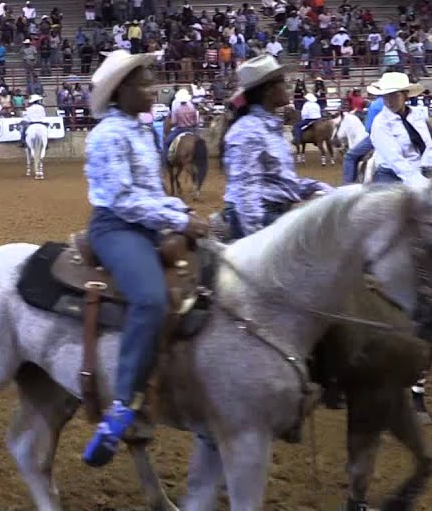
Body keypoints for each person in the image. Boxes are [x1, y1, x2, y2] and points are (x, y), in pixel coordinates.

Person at [80, 50, 210, 468]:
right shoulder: (106, 135)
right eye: (144, 81)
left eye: (152, 78)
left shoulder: (141, 130)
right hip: (115, 227)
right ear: (121, 91)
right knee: (151, 298)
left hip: (146, 221)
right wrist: (177, 216)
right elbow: (121, 198)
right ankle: (121, 405)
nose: (153, 87)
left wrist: (179, 213)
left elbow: (150, 193)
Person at [221, 56, 331, 239]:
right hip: (257, 217)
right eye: (281, 81)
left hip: (273, 211)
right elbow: (247, 196)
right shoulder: (248, 131)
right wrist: (260, 243)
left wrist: (318, 188)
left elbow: (279, 181)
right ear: (267, 90)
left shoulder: (270, 128)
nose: (287, 85)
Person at [366, 72, 432, 186]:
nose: (389, 101)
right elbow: (394, 158)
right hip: (391, 173)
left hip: (421, 168)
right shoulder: (380, 123)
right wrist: (417, 181)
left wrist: (430, 168)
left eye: (395, 95)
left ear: (405, 95)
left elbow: (428, 145)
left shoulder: (417, 115)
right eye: (386, 96)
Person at [164, 88, 199, 157]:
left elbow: (174, 122)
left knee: (166, 143)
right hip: (191, 129)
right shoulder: (192, 108)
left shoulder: (176, 109)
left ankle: (167, 161)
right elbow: (196, 122)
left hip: (180, 129)